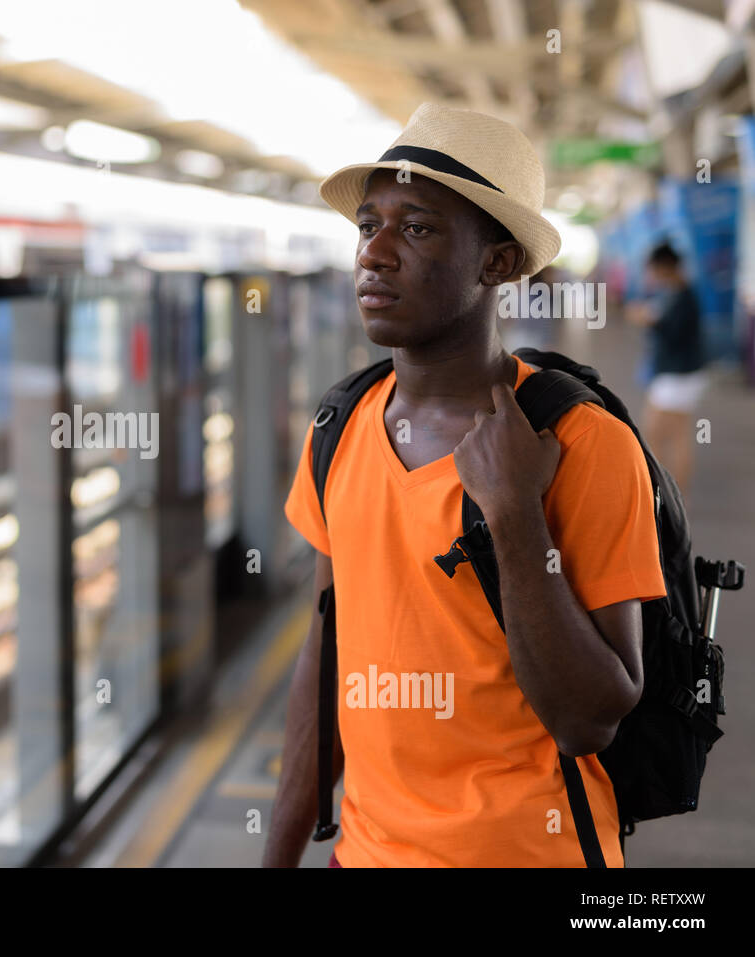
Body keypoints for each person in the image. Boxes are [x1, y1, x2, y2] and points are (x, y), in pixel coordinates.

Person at [263, 103, 667, 868]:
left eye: (416, 228)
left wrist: (514, 513)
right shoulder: (336, 429)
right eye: (367, 225)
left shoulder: (584, 446)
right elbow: (328, 648)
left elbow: (590, 718)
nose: (374, 253)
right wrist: (280, 852)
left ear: (499, 263)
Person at [625, 242, 705, 504]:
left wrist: (649, 320)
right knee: (677, 434)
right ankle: (674, 494)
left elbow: (673, 333)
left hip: (677, 375)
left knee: (655, 434)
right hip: (682, 374)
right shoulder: (678, 292)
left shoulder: (681, 295)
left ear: (664, 267)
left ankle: (663, 494)